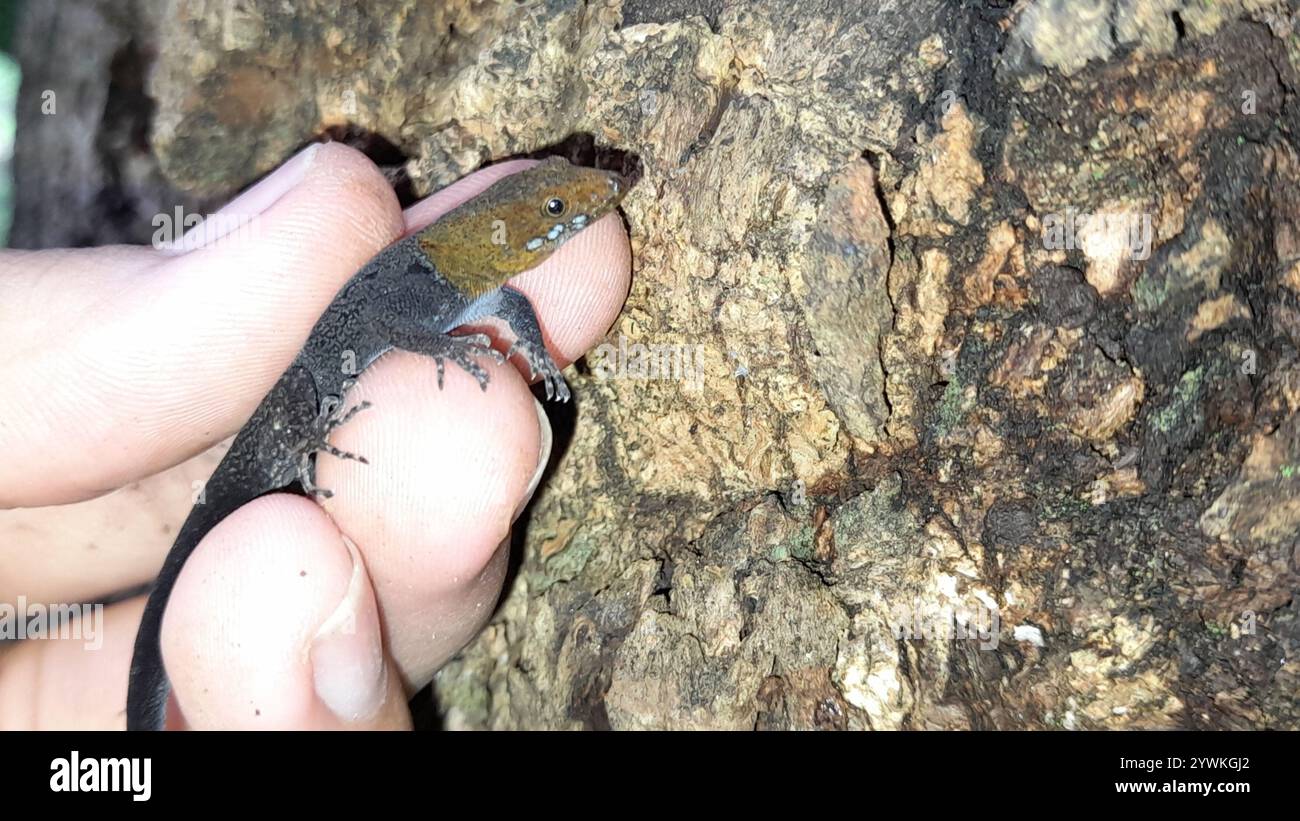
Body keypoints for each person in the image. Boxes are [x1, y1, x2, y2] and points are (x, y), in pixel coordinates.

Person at [0, 142, 633, 729]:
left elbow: (507, 303)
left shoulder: (475, 266)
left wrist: (534, 352)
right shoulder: (443, 273)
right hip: (300, 401)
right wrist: (441, 346)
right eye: (556, 205)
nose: (592, 192)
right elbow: (391, 319)